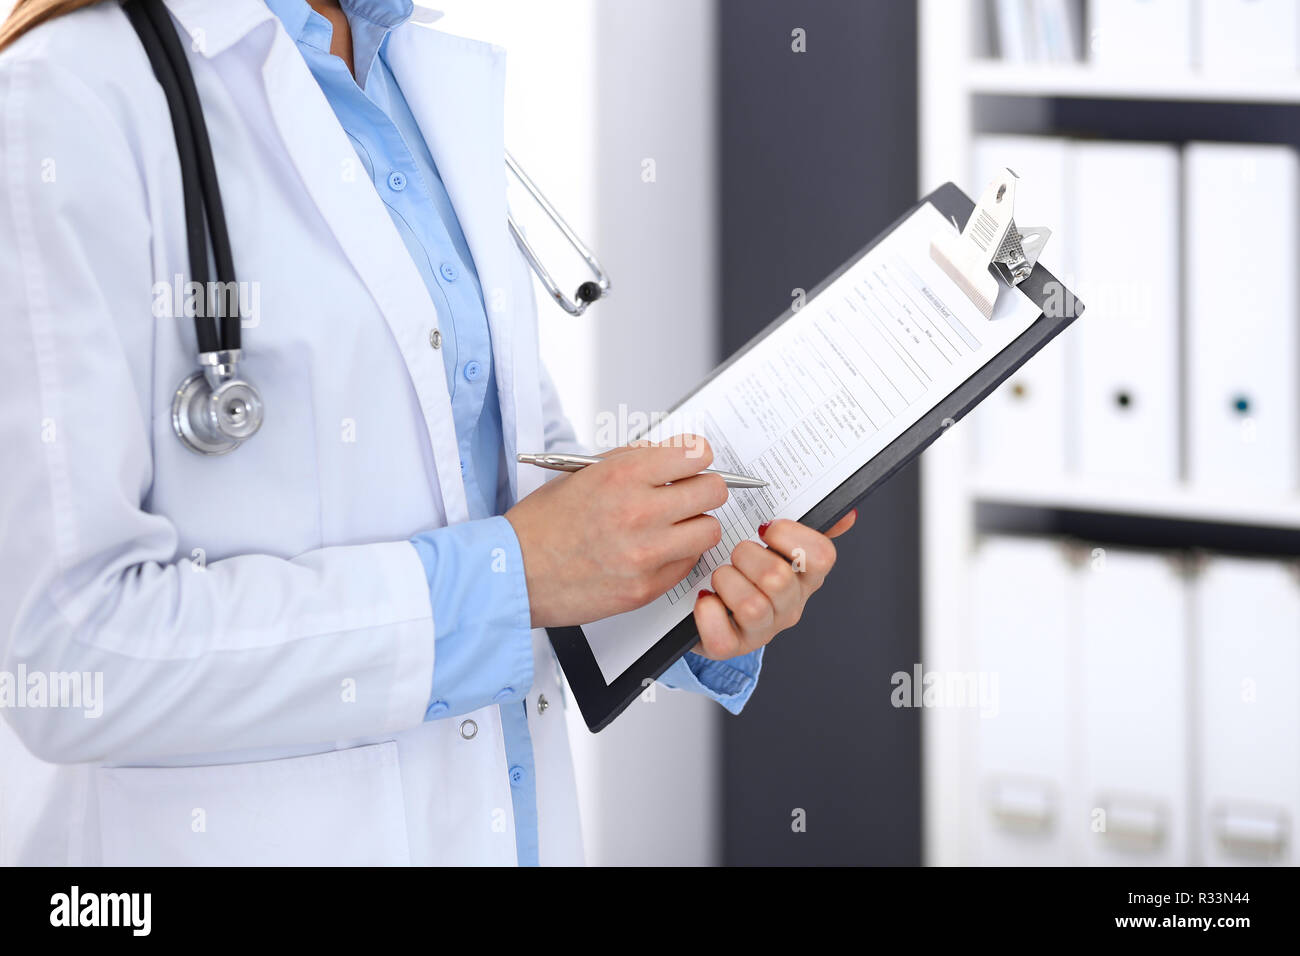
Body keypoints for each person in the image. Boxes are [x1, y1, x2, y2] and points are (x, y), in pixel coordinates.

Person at [0, 0, 856, 865]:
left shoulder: (402, 66)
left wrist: (693, 578)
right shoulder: (62, 93)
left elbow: (512, 500)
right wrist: (508, 578)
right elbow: (73, 652)